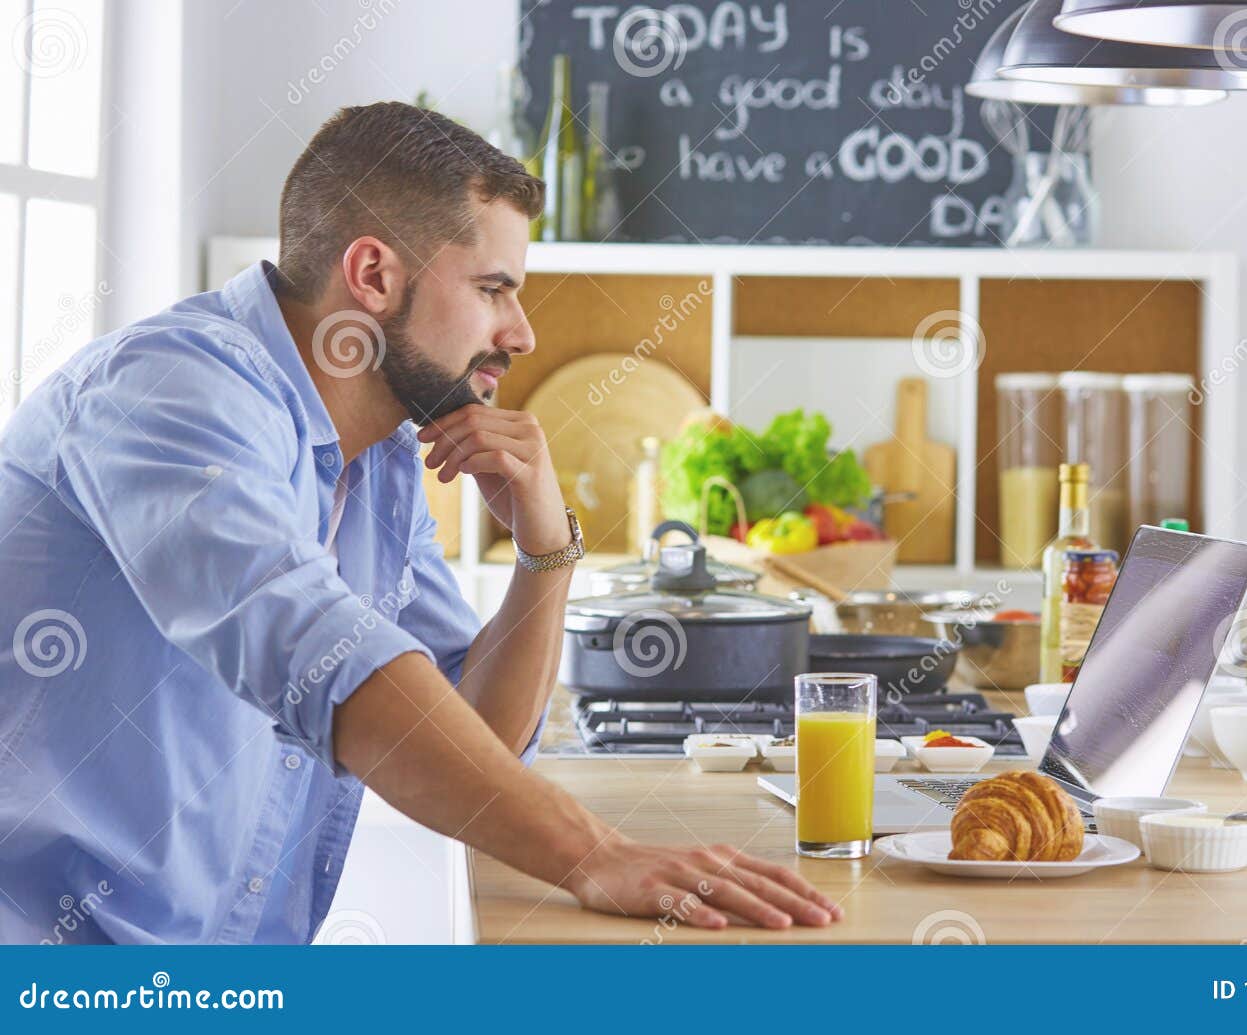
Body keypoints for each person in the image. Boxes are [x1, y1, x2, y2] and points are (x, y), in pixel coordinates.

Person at [0, 102, 839, 943]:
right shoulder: (175, 392)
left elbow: (474, 745)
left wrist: (547, 553)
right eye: (492, 289)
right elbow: (318, 654)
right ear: (372, 275)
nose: (521, 331)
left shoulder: (382, 463)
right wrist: (594, 853)